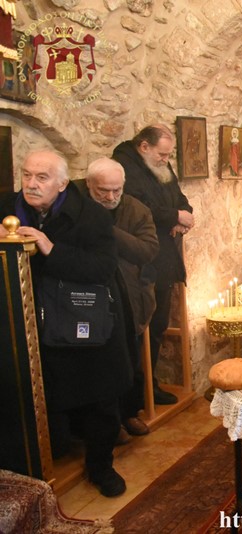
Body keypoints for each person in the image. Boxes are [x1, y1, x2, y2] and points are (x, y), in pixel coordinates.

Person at [0, 150, 132, 497]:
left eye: (41, 178)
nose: (31, 184)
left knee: (98, 396)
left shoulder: (91, 216)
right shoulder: (6, 210)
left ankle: (101, 466)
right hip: (28, 323)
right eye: (27, 175)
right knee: (41, 393)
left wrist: (49, 248)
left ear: (61, 184)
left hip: (82, 318)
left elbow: (102, 268)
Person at [113, 125, 194, 405]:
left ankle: (151, 383)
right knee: (145, 327)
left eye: (168, 155)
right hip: (144, 263)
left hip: (166, 258)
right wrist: (175, 217)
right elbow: (141, 208)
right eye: (162, 154)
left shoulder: (160, 165)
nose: (165, 160)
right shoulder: (125, 167)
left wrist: (183, 216)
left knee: (159, 325)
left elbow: (180, 199)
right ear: (144, 147)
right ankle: (138, 395)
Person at [84, 157, 159, 439]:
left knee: (130, 358)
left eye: (117, 190)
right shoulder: (77, 205)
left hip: (129, 295)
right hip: (90, 297)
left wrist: (107, 228)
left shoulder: (136, 210)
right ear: (89, 184)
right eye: (103, 190)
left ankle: (128, 413)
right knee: (99, 365)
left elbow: (148, 250)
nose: (111, 197)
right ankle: (105, 424)